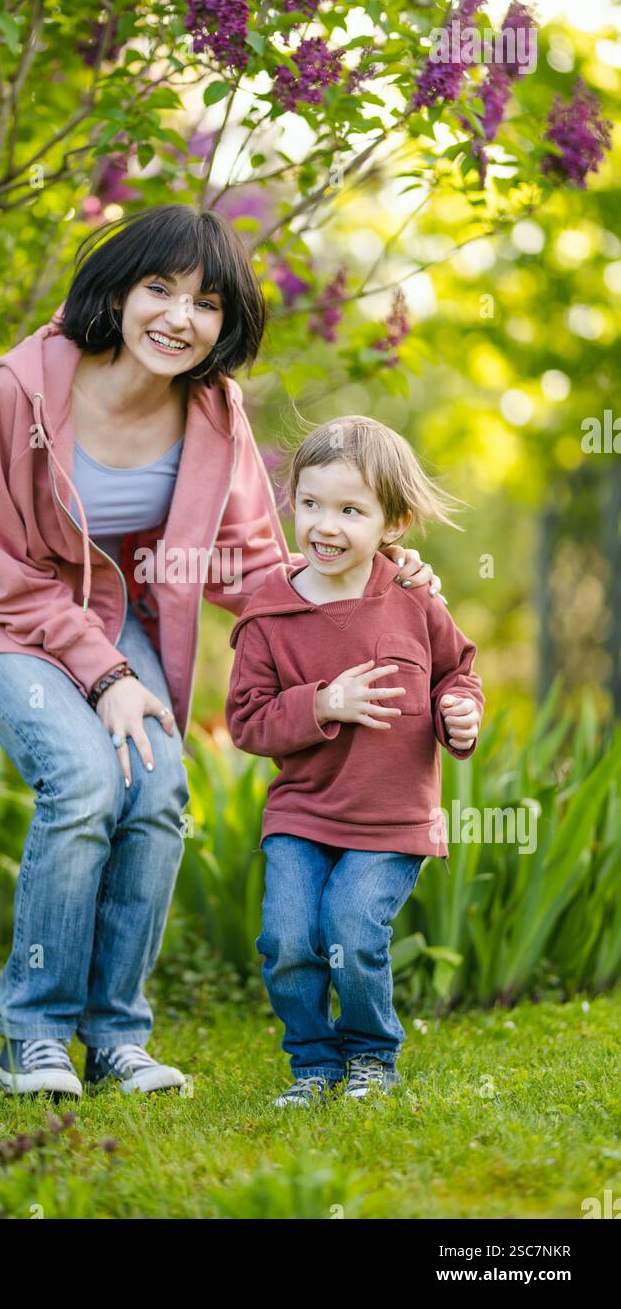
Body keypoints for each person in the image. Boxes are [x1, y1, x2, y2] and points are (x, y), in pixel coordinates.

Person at [0, 204, 444, 1100]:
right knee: (84, 779)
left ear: (224, 322)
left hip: (105, 609)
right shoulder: (18, 391)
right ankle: (33, 1037)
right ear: (116, 293)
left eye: (204, 302)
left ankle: (116, 1037)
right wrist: (110, 674)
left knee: (157, 788)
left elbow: (245, 562)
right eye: (158, 288)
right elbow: (6, 571)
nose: (178, 316)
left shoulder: (212, 406)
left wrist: (367, 574)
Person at [225, 414, 484, 1106]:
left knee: (350, 927)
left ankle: (371, 1056)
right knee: (287, 938)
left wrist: (462, 713)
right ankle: (313, 1063)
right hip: (303, 814)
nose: (325, 525)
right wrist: (321, 705)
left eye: (350, 510)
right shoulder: (269, 613)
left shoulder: (413, 597)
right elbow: (246, 722)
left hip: (390, 817)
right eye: (310, 504)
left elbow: (458, 674)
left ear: (391, 522)